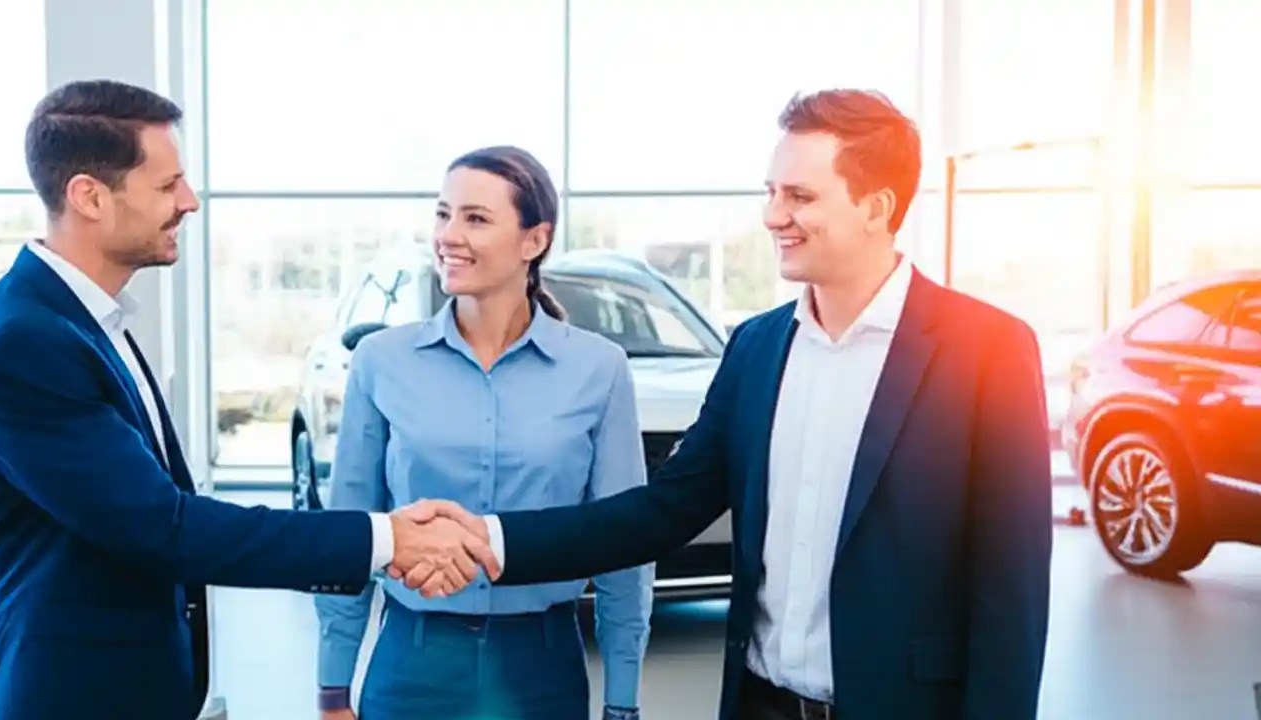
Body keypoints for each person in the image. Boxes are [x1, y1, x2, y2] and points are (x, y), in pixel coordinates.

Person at [407, 89, 1054, 719]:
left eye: (800, 196)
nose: (774, 216)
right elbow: (664, 511)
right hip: (759, 702)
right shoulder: (756, 347)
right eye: (772, 192)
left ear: (877, 207)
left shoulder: (987, 351)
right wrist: (492, 537)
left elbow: (1011, 595)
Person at [0, 80, 497, 720]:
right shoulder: (23, 342)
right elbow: (163, 526)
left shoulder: (79, 323)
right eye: (168, 186)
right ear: (89, 196)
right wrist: (384, 539)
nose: (189, 202)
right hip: (68, 695)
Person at [314, 146, 653, 720]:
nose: (449, 234)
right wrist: (332, 689)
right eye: (443, 214)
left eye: (475, 218)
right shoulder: (381, 361)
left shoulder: (599, 369)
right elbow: (351, 527)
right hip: (411, 665)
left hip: (542, 669)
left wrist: (623, 700)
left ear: (534, 240)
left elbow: (625, 546)